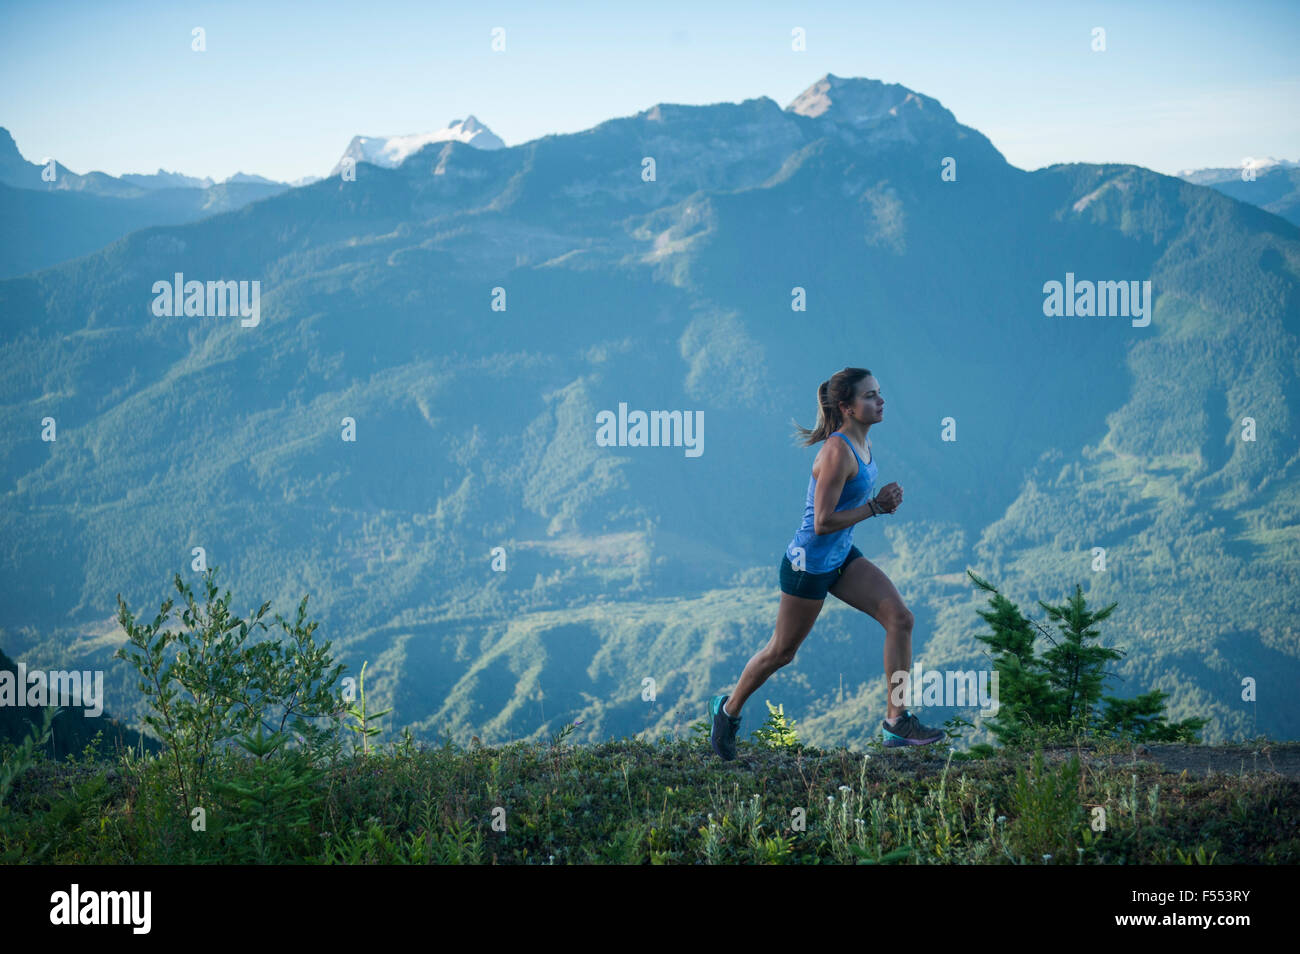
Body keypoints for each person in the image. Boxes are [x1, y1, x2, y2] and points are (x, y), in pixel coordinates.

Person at [709, 367, 943, 760]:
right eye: (869, 396)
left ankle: (896, 722)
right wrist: (876, 507)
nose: (880, 400)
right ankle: (727, 710)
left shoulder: (862, 443)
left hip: (840, 556)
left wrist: (875, 507)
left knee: (900, 618)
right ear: (846, 408)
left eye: (879, 393)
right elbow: (821, 523)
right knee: (782, 652)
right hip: (809, 566)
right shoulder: (836, 451)